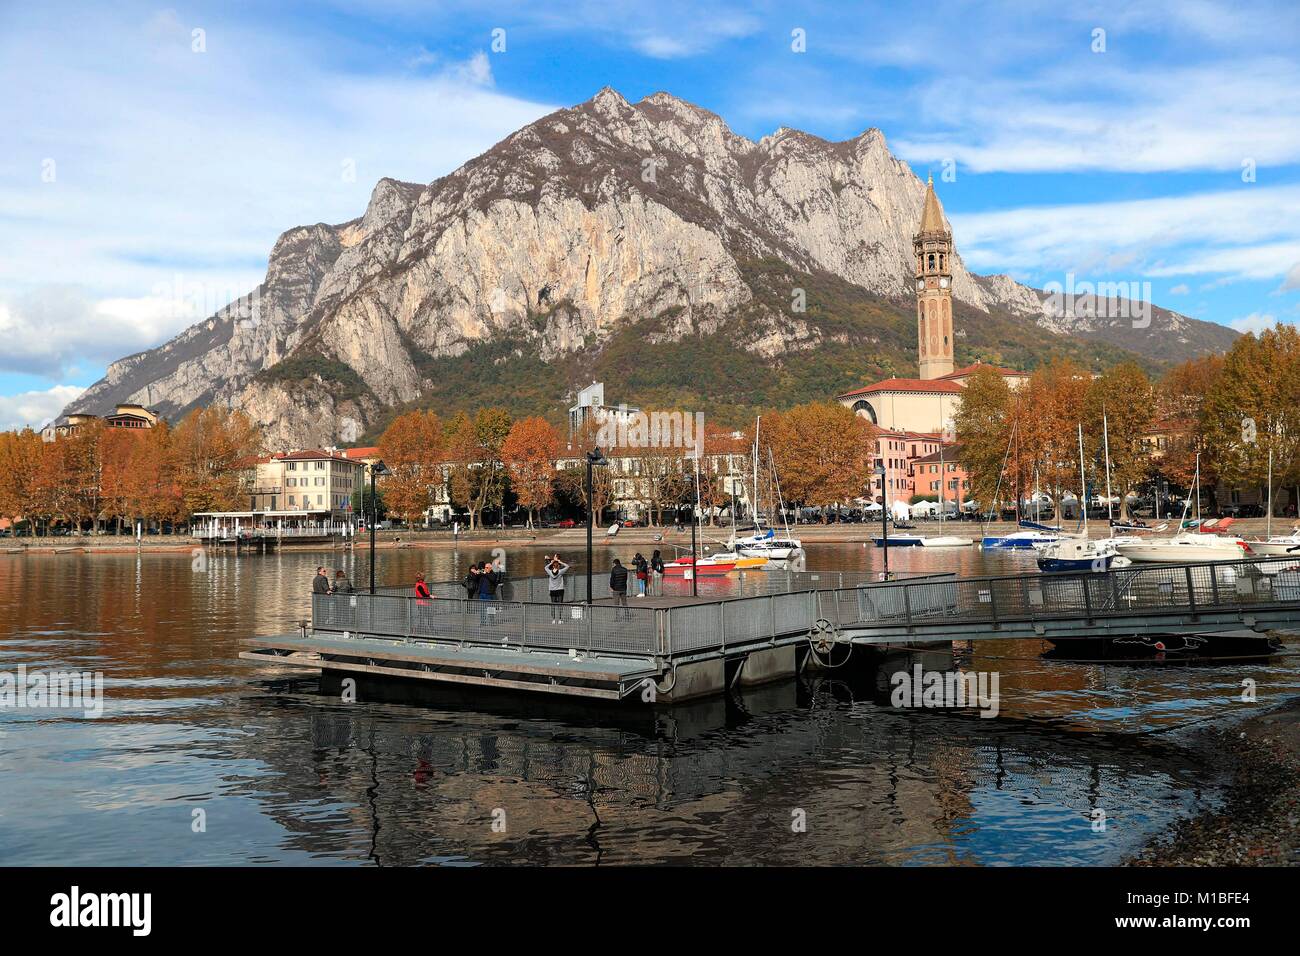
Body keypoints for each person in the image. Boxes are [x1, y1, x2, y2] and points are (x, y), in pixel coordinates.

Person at [545, 554, 570, 623]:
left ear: (553, 566)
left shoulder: (550, 572)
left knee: (553, 604)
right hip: (560, 590)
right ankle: (560, 619)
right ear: (558, 566)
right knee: (560, 604)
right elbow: (567, 566)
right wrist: (560, 562)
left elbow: (546, 568)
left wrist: (551, 562)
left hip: (552, 590)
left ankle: (553, 619)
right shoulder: (561, 572)